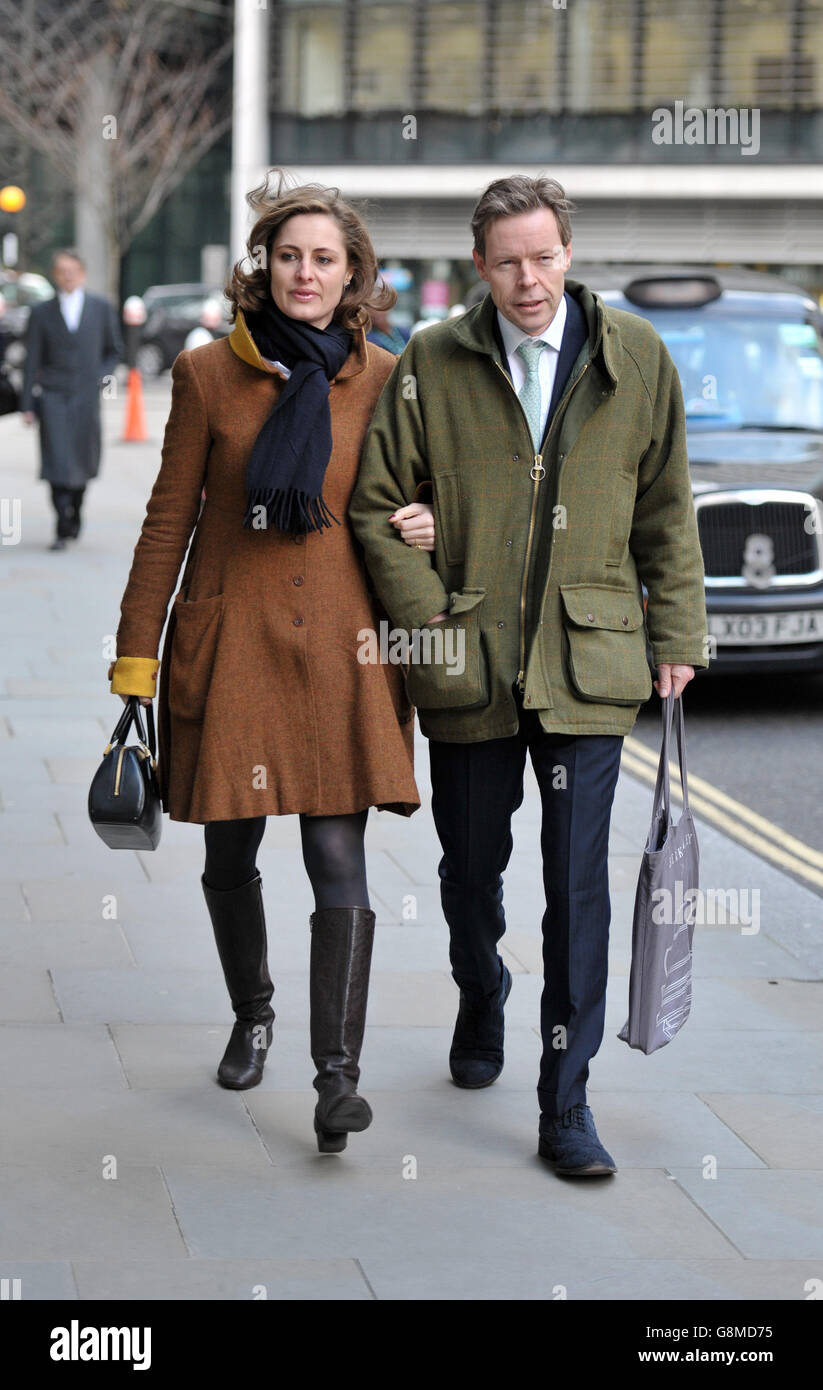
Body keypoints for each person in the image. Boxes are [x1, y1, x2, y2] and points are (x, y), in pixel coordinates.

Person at [350, 174, 708, 1178]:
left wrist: (676, 629)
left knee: (576, 885)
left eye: (542, 255)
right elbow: (381, 506)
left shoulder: (633, 356)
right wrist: (432, 619)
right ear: (479, 266)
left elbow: (667, 509)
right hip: (471, 666)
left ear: (566, 252)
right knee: (470, 874)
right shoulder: (432, 358)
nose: (527, 278)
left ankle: (566, 1099)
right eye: (506, 260)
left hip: (588, 663)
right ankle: (481, 987)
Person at [106, 173, 434, 1153]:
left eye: (323, 258)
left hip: (341, 650)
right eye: (288, 255)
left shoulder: (384, 377)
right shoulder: (209, 374)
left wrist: (427, 525)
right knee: (228, 851)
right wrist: (135, 658)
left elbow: (406, 506)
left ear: (351, 274)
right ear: (265, 266)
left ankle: (338, 1081)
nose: (304, 272)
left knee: (337, 853)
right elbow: (169, 521)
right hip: (234, 641)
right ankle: (254, 1010)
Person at [21, 249, 122, 550]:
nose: (68, 276)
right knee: (55, 459)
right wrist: (27, 404)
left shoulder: (101, 308)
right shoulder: (40, 312)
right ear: (55, 275)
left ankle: (76, 508)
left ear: (83, 274)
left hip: (86, 395)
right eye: (62, 271)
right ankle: (61, 523)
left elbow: (114, 350)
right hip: (52, 395)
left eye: (73, 270)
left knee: (82, 458)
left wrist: (101, 379)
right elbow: (31, 361)